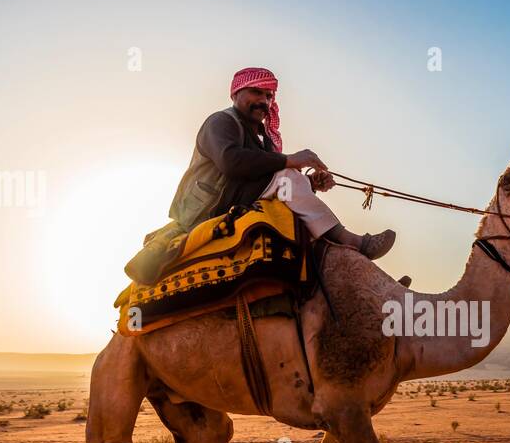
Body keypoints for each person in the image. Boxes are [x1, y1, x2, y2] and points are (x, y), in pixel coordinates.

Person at [125, 66, 394, 284]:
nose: (263, 101)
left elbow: (268, 177)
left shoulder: (261, 138)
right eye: (256, 93)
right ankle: (352, 242)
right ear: (236, 94)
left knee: (291, 186)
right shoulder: (220, 123)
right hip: (207, 207)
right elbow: (232, 163)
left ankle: (357, 282)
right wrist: (290, 161)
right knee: (287, 175)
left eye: (268, 96)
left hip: (238, 196)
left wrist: (310, 183)